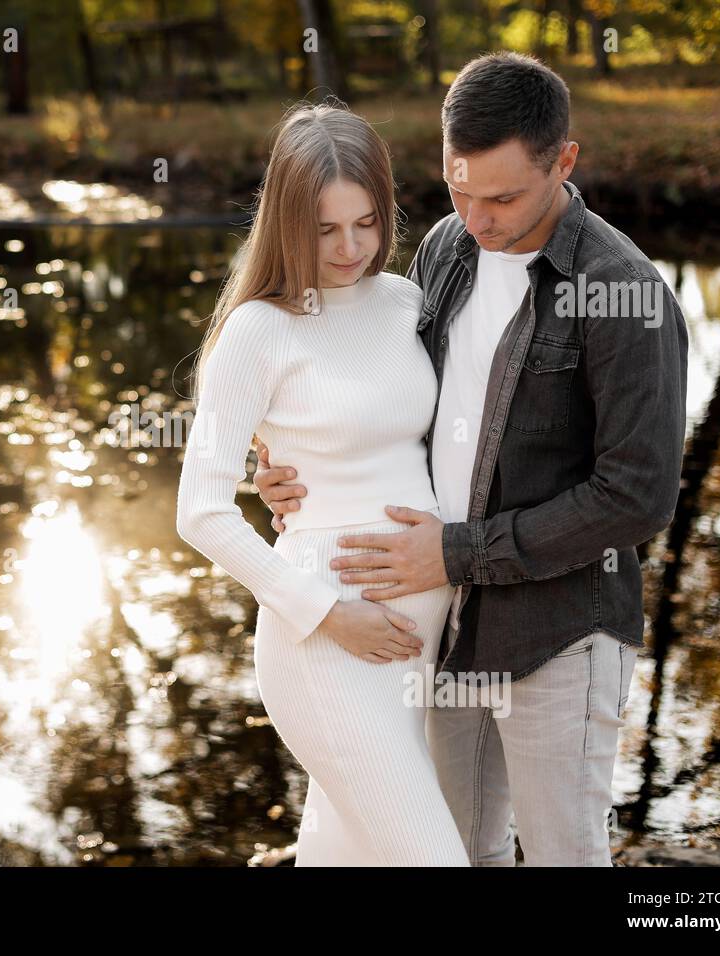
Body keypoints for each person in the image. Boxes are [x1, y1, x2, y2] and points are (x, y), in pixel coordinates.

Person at [253, 52, 689, 866]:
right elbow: (390, 403)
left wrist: (454, 551)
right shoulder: (447, 252)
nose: (477, 217)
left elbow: (637, 497)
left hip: (560, 632)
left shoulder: (625, 294)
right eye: (458, 189)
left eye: (503, 197)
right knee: (453, 849)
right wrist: (292, 468)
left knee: (564, 854)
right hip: (443, 627)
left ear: (564, 161)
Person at [175, 99, 469, 865]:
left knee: (346, 854)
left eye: (367, 222)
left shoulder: (405, 303)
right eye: (325, 228)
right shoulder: (259, 329)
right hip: (326, 645)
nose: (349, 248)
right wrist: (329, 612)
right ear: (285, 221)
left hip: (415, 639)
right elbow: (201, 511)